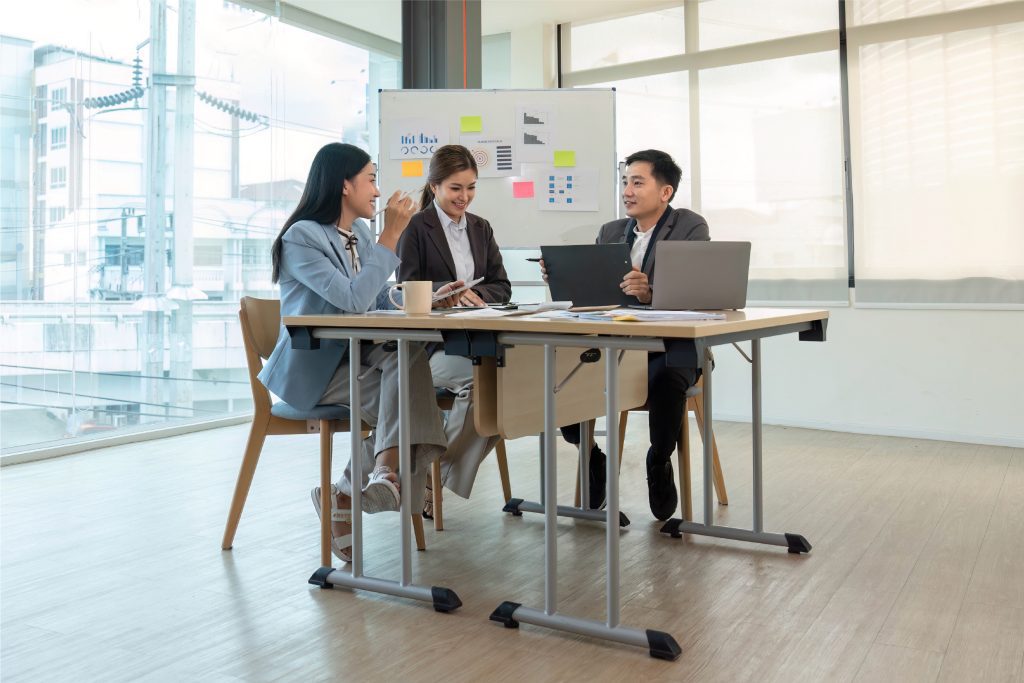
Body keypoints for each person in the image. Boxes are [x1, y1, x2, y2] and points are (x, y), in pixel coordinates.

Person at [259, 142, 460, 562]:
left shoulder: (361, 234)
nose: (377, 190)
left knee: (409, 370)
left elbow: (374, 297)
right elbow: (352, 300)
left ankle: (365, 484)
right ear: (344, 184)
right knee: (418, 409)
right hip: (316, 370)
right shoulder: (301, 238)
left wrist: (426, 298)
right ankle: (353, 491)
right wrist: (391, 237)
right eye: (370, 179)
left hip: (358, 360)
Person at [545, 149, 709, 520]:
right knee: (559, 374)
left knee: (667, 378)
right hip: (614, 347)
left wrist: (650, 292)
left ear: (665, 192)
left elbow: (697, 290)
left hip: (669, 348)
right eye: (625, 182)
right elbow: (593, 295)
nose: (627, 191)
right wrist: (563, 276)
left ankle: (659, 460)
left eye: (637, 182)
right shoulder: (610, 231)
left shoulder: (689, 227)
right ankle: (591, 456)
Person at [396, 145, 512, 514]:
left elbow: (502, 286)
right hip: (431, 347)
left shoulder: (481, 227)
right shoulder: (416, 227)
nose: (464, 197)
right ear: (435, 186)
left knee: (510, 386)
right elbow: (406, 286)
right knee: (481, 384)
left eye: (471, 188)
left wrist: (477, 294)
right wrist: (440, 295)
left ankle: (432, 477)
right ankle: (436, 478)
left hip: (476, 340)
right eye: (455, 188)